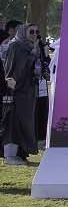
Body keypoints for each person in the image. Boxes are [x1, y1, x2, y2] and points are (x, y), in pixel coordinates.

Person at [1, 23, 40, 164]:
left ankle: (21, 153)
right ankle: (9, 156)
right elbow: (12, 68)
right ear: (24, 32)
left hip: (28, 92)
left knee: (25, 123)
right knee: (13, 122)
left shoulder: (32, 48)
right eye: (31, 32)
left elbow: (36, 69)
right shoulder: (16, 46)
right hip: (16, 90)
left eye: (37, 32)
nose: (35, 35)